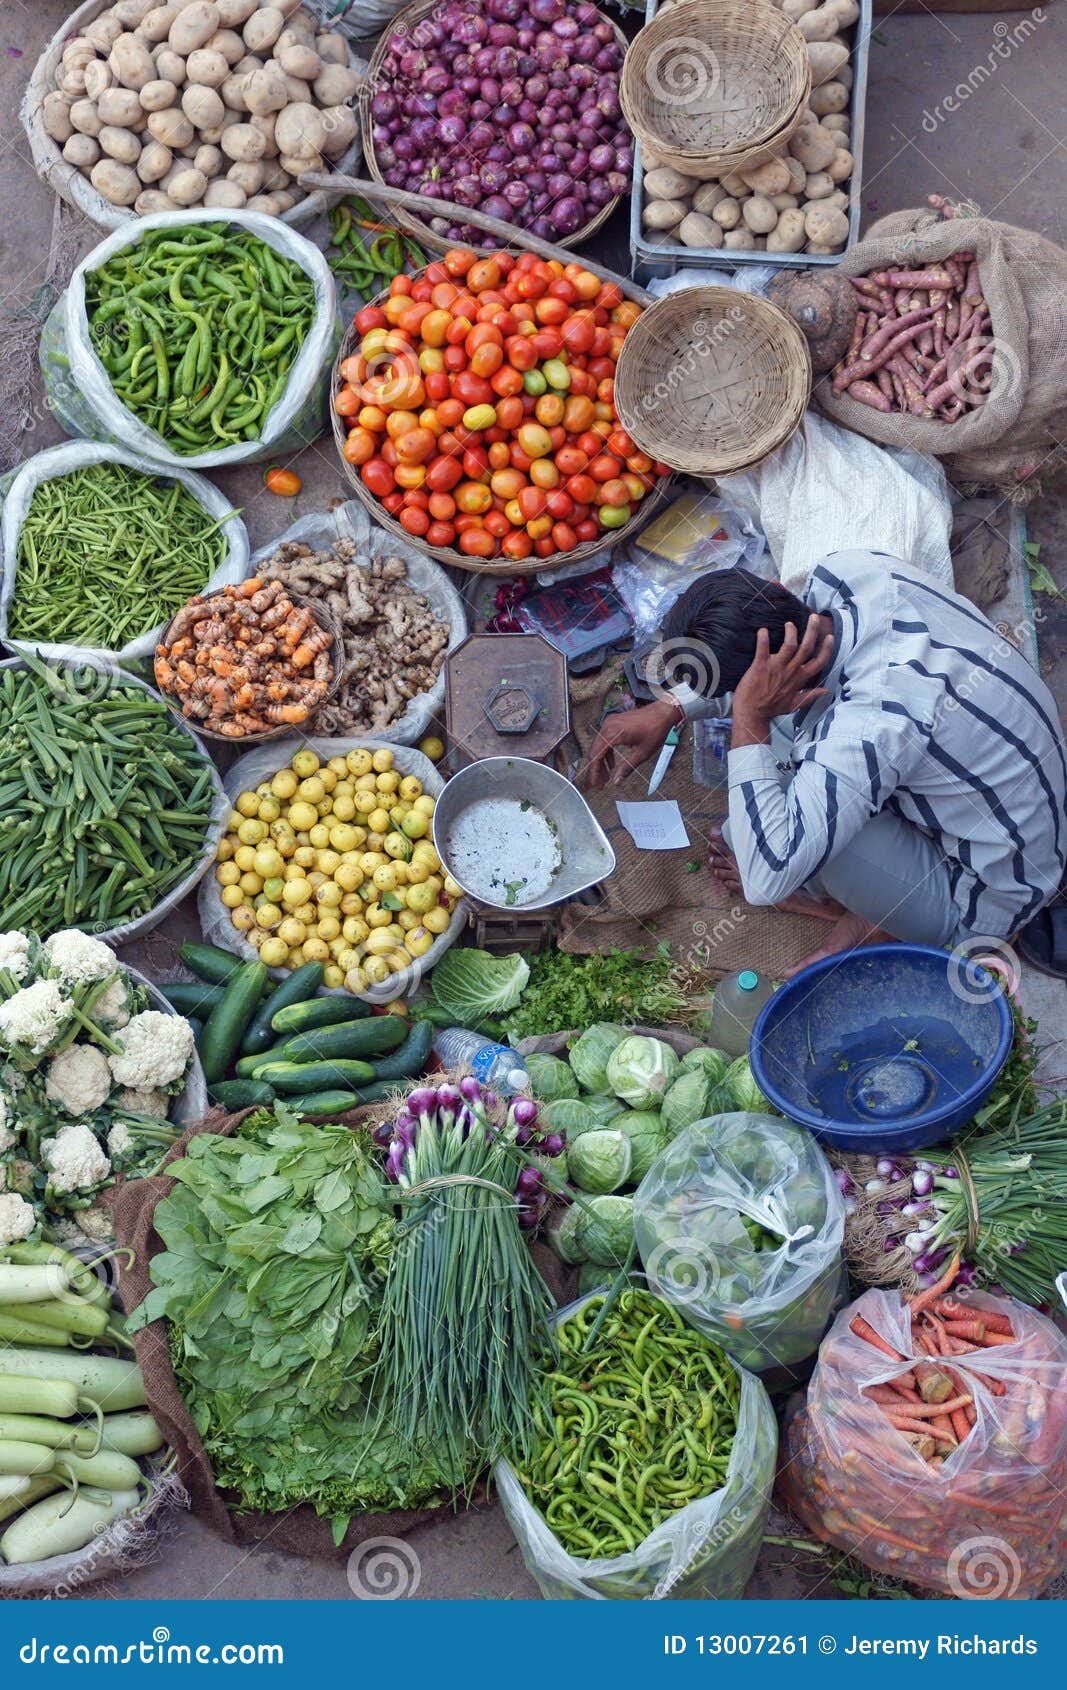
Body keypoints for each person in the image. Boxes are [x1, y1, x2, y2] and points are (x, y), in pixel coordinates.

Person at [588, 551, 1067, 972]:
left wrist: (749, 719)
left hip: (987, 894)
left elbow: (764, 877)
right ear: (774, 588)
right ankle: (866, 903)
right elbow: (775, 663)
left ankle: (865, 921)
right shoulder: (848, 575)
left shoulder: (872, 724)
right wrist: (672, 706)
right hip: (1000, 798)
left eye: (748, 698)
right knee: (779, 764)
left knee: (754, 837)